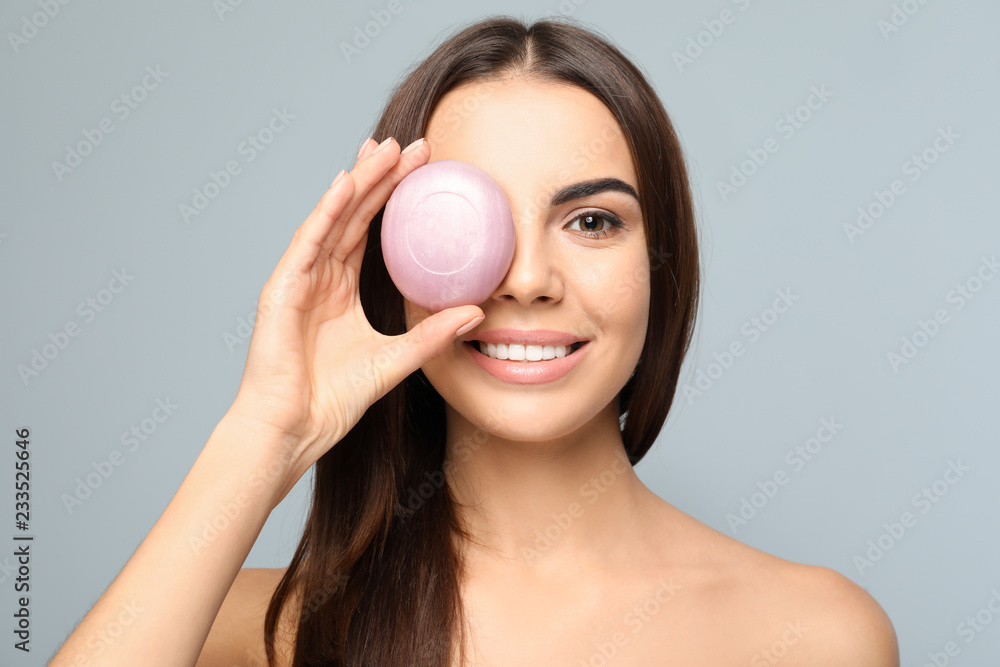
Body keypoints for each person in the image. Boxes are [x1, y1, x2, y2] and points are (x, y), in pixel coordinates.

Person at [49, 15, 899, 667]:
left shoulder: (816, 633)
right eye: (464, 224)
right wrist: (264, 433)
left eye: (592, 220)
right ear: (392, 265)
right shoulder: (258, 631)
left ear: (661, 266)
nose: (525, 279)